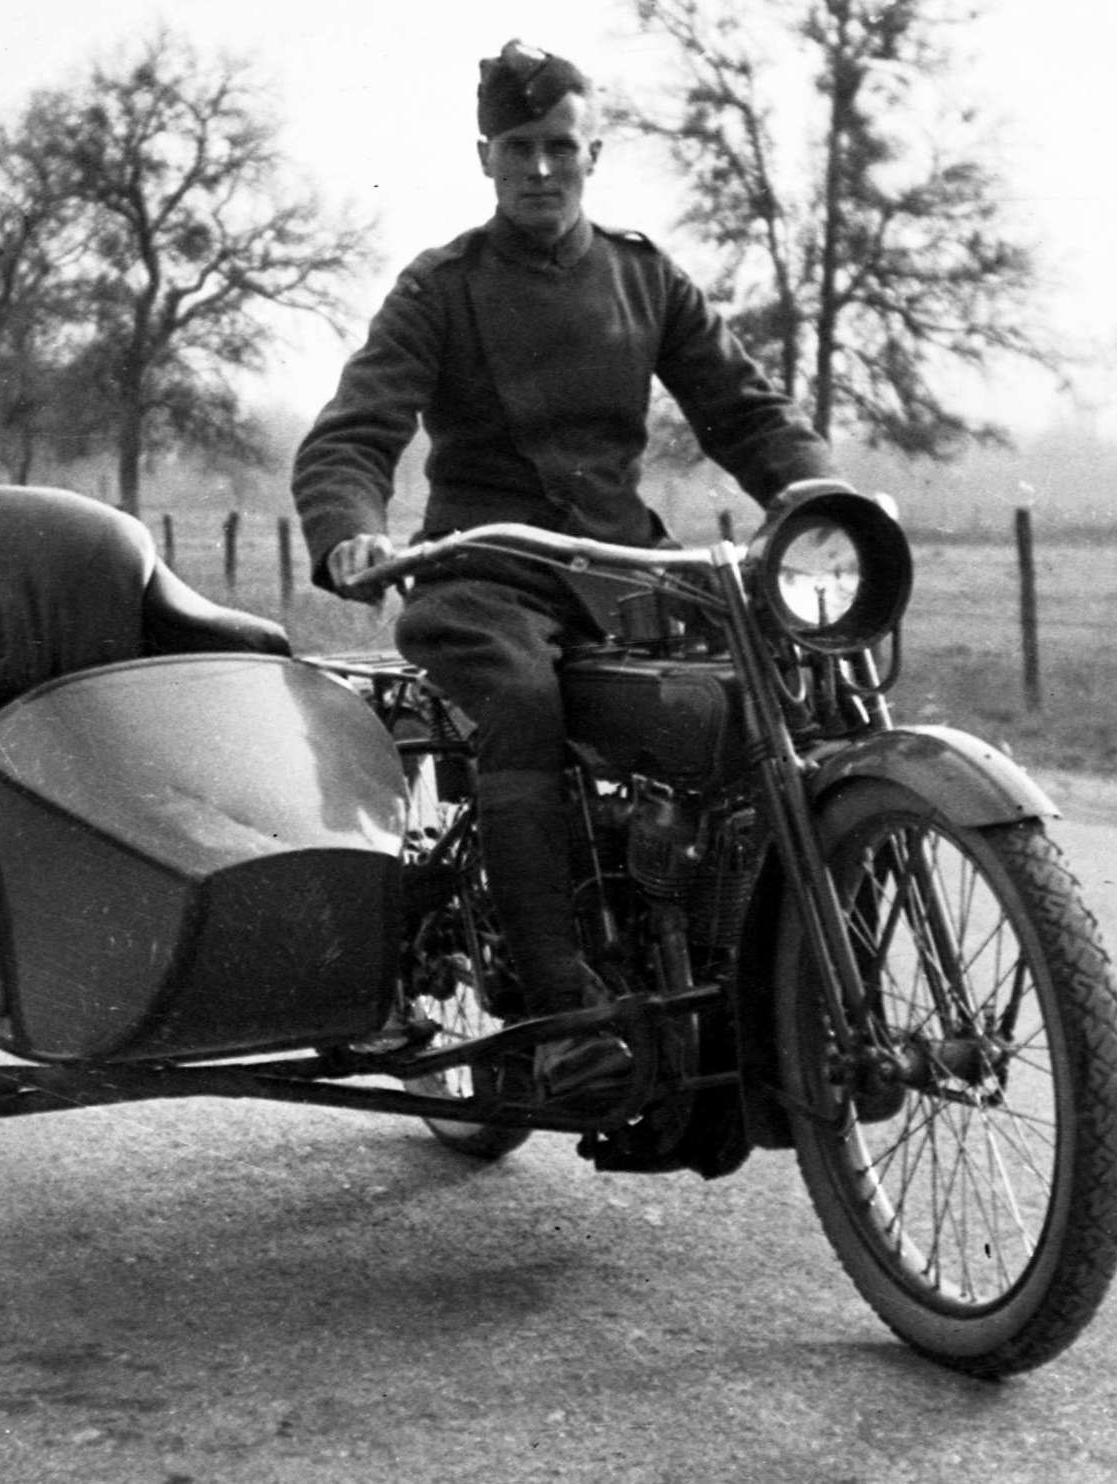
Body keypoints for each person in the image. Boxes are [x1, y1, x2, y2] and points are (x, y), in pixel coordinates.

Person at [291, 39, 851, 1104]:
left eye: (559, 147)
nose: (540, 169)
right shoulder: (441, 288)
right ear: (485, 157)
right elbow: (353, 434)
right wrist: (351, 531)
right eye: (518, 149)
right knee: (522, 700)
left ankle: (792, 977)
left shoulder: (645, 278)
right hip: (485, 573)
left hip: (621, 567)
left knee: (783, 692)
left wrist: (822, 497)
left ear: (593, 151)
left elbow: (746, 410)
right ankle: (559, 1006)